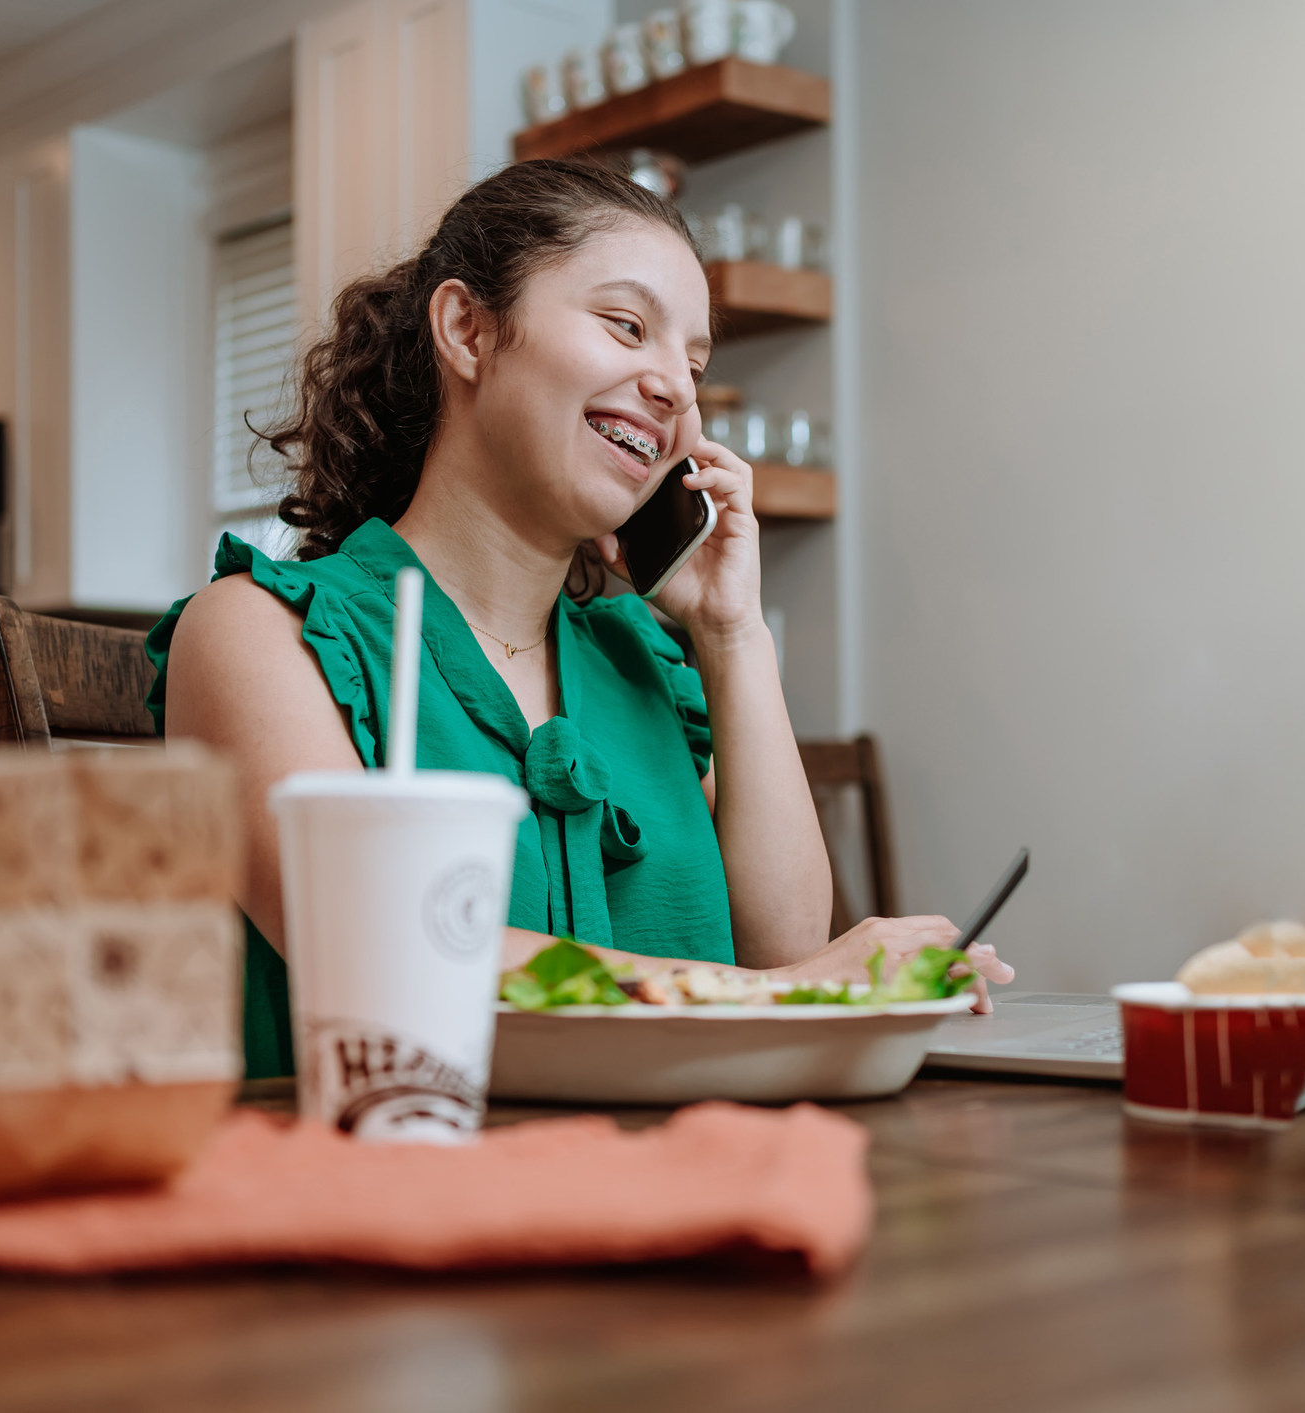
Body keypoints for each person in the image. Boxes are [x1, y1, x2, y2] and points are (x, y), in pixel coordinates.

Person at [150, 160, 1013, 1077]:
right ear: (468, 329)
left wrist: (731, 635)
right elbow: (384, 948)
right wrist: (788, 996)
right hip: (386, 1195)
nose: (678, 391)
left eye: (693, 366)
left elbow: (784, 947)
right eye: (627, 326)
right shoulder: (255, 634)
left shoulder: (647, 666)